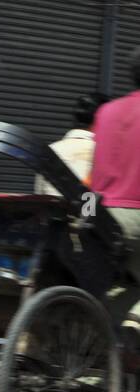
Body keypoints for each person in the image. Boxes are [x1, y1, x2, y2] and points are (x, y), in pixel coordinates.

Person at [88, 49, 140, 345]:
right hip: (135, 218)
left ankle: (102, 359)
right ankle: (133, 327)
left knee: (119, 288)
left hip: (100, 217)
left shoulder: (106, 111)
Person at [34, 94, 100, 197]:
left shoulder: (50, 150)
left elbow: (39, 196)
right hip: (86, 212)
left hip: (51, 212)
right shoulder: (102, 153)